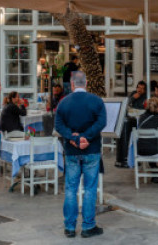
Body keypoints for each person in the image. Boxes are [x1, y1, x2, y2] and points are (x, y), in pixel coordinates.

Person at [55, 71, 107, 238]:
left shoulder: (64, 103)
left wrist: (73, 137)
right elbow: (102, 122)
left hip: (71, 152)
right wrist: (87, 137)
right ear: (86, 83)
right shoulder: (96, 101)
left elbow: (58, 125)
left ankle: (69, 227)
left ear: (72, 84)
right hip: (91, 150)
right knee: (90, 188)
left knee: (71, 188)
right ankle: (88, 226)